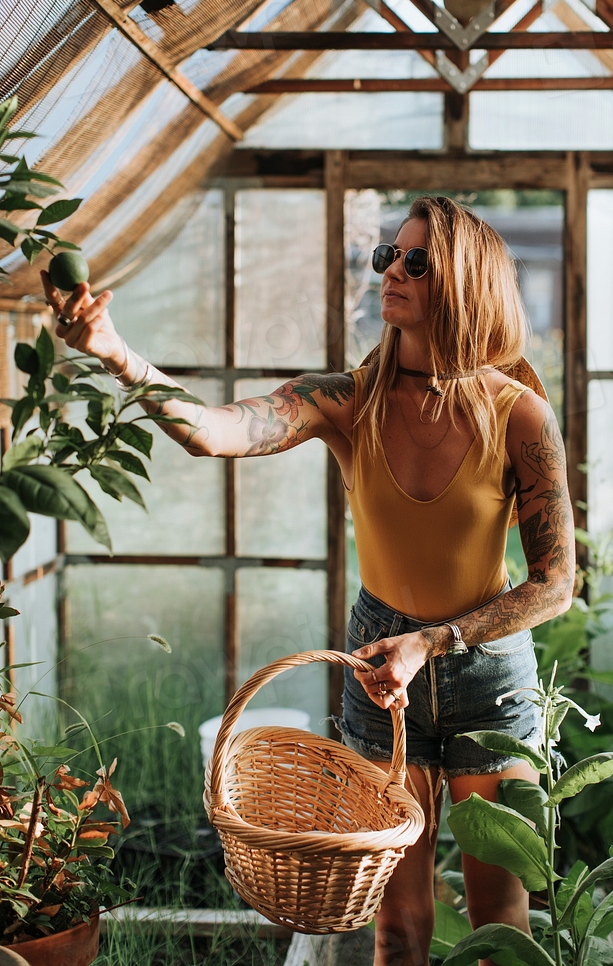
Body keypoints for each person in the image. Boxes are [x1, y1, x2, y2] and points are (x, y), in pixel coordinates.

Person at [42, 194, 575, 966]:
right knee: (395, 926)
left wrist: (432, 641)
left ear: (466, 282)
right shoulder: (346, 400)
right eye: (385, 255)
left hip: (484, 674)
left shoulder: (518, 414)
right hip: (376, 671)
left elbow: (555, 584)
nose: (390, 268)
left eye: (414, 260)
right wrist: (113, 350)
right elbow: (213, 431)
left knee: (498, 917)